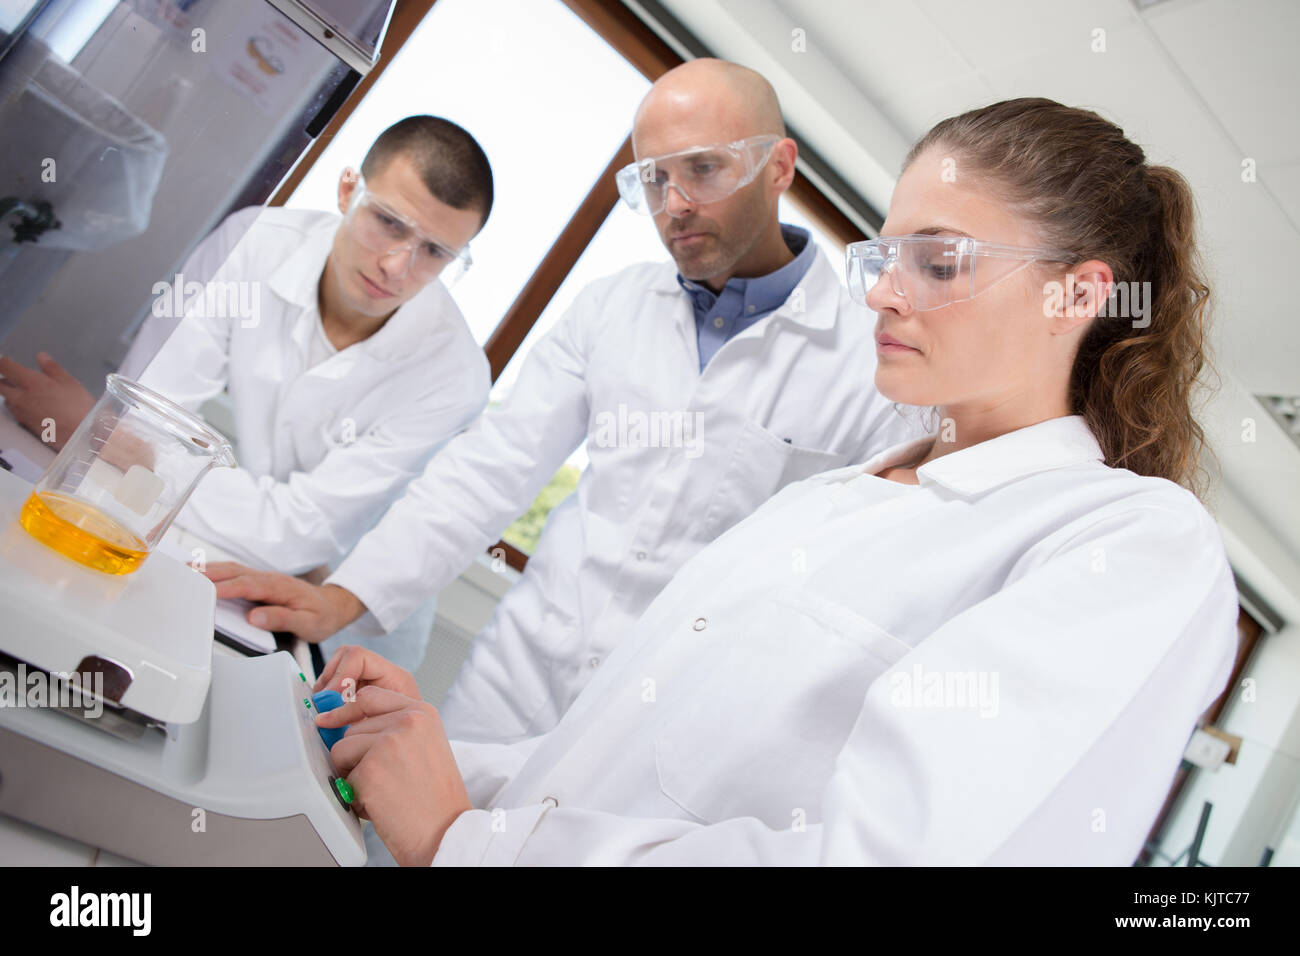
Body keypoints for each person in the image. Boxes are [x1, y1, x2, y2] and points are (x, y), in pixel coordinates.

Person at [295, 97, 1239, 866]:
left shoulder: (1130, 544)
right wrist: (429, 759)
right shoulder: (834, 497)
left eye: (939, 260)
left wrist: (463, 844)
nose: (881, 290)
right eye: (885, 254)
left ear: (1077, 293)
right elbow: (607, 770)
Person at [206, 59, 920, 743]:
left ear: (780, 167)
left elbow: (852, 580)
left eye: (703, 168)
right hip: (513, 688)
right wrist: (344, 597)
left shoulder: (870, 365)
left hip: (669, 723)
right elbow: (489, 471)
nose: (674, 205)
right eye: (653, 178)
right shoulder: (611, 309)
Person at [0, 116, 493, 673]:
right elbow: (149, 413)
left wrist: (124, 443)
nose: (397, 266)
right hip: (216, 553)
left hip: (327, 610)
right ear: (348, 189)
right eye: (388, 222)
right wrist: (136, 443)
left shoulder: (454, 375)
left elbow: (294, 539)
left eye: (435, 252)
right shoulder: (254, 243)